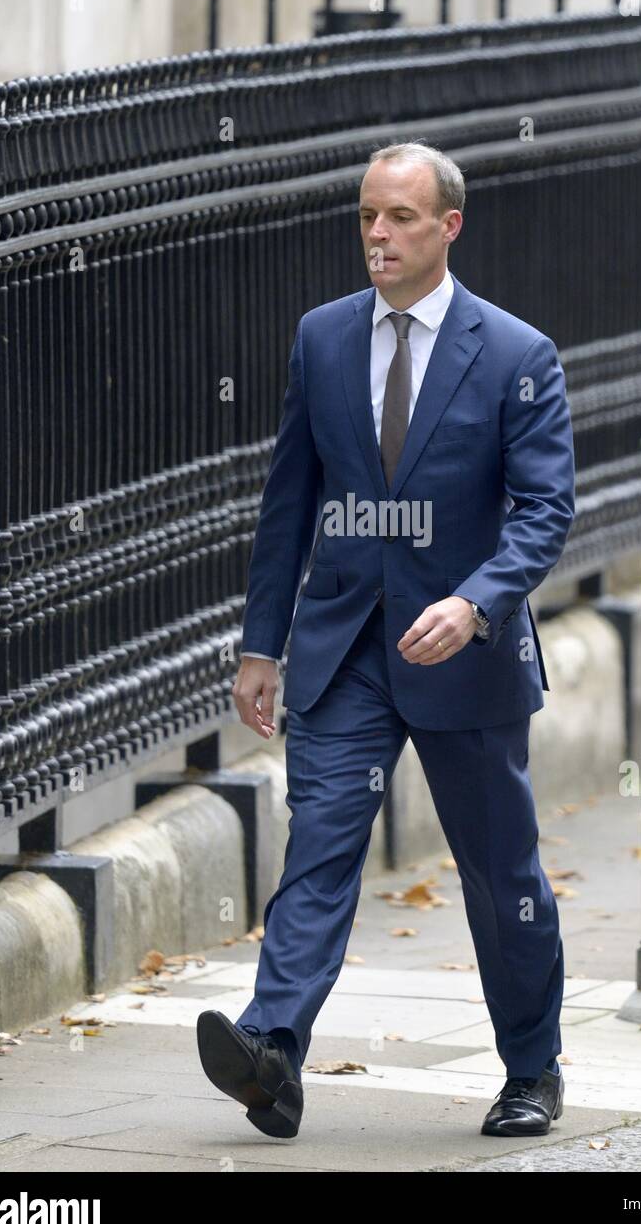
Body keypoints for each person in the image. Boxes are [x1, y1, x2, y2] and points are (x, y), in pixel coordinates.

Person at [196, 141, 575, 1140]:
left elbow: (544, 511)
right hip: (345, 648)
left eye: (401, 217)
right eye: (368, 215)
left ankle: (532, 1066)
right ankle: (271, 1050)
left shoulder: (515, 354)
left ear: (448, 227)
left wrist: (478, 602)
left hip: (465, 656)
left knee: (503, 876)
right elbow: (289, 504)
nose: (377, 234)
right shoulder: (323, 339)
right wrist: (260, 643)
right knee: (318, 847)